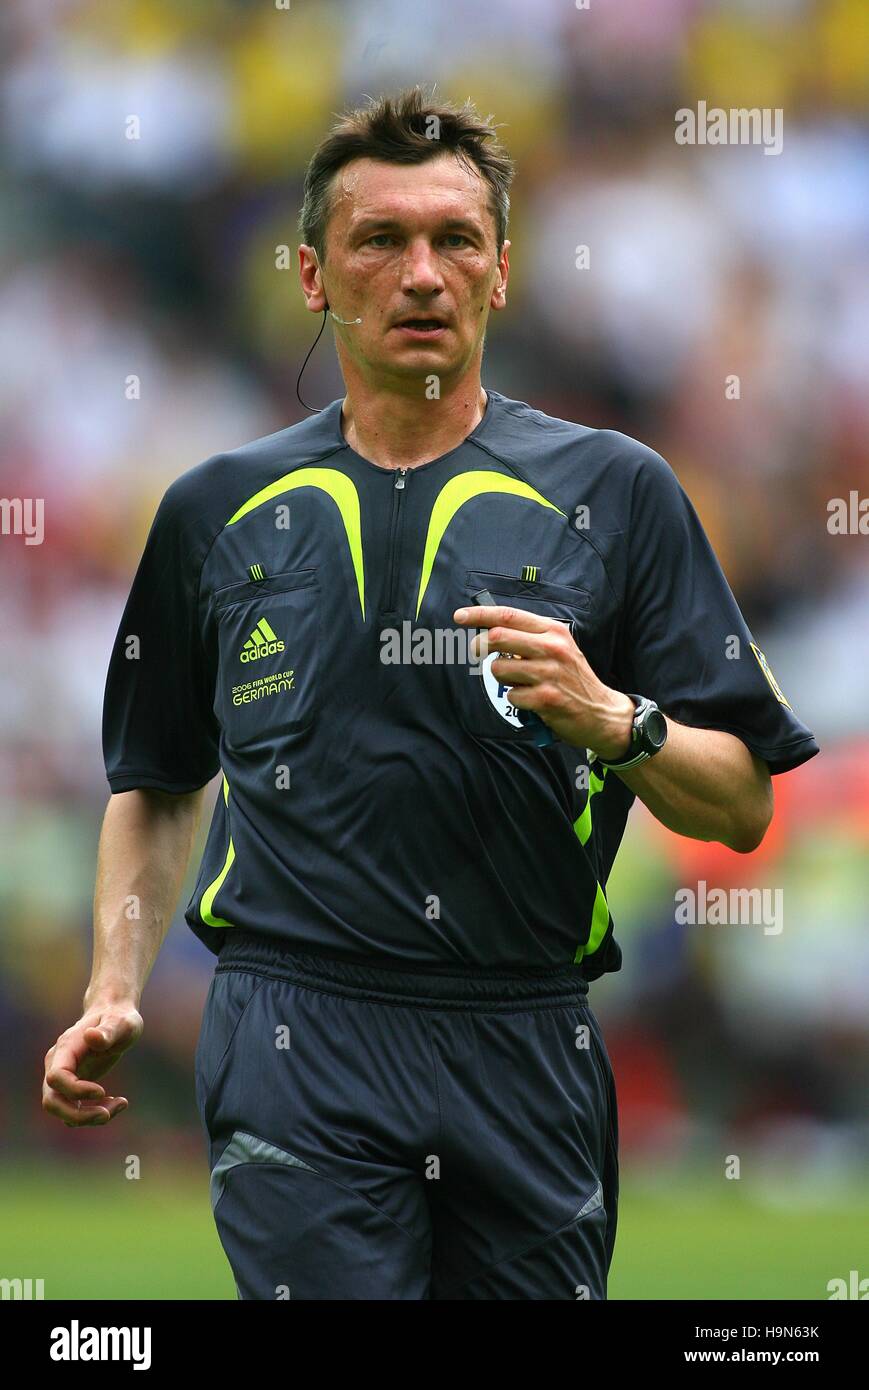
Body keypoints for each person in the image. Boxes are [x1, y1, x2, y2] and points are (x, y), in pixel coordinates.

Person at [42, 87, 819, 1300]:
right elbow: (155, 780)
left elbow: (740, 804)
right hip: (298, 1029)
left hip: (526, 1031)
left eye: (454, 240)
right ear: (309, 274)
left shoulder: (619, 492)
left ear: (500, 273)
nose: (420, 274)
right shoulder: (212, 509)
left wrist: (614, 719)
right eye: (378, 241)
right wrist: (111, 988)